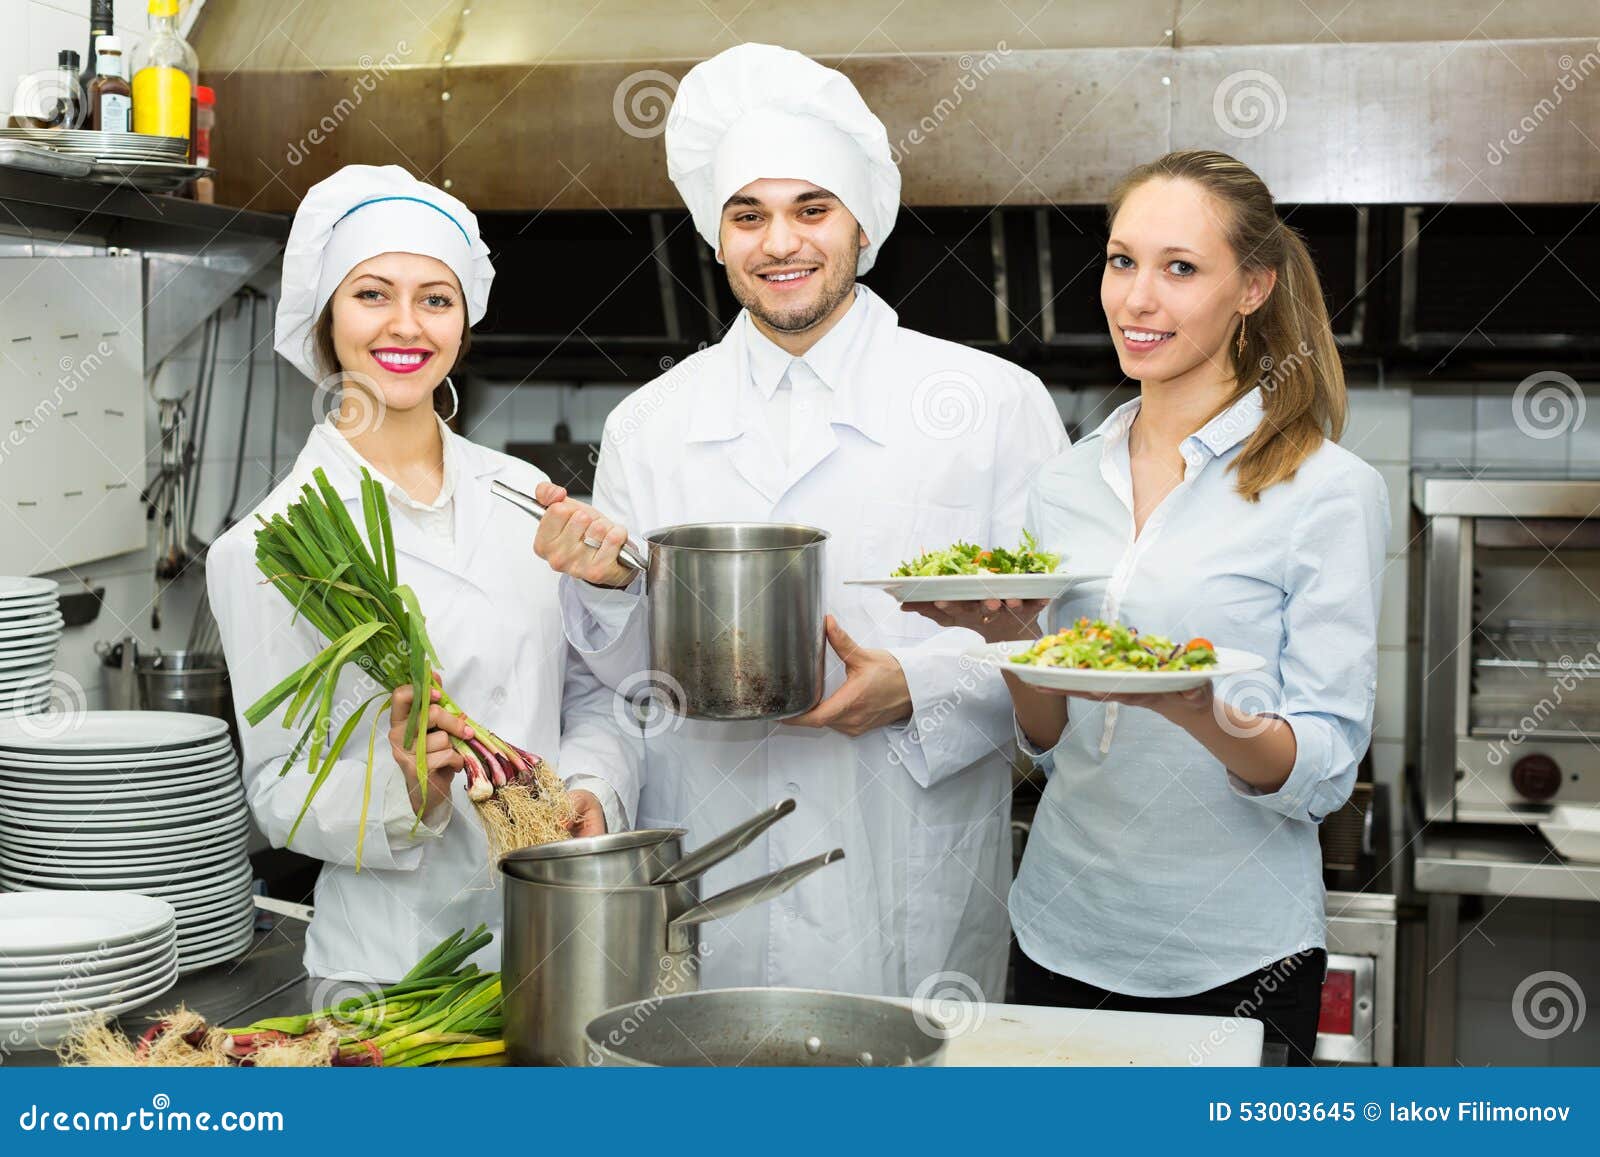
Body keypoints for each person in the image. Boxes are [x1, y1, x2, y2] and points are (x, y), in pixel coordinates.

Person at [532, 44, 1065, 998]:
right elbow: (612, 687)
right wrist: (607, 610)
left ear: (863, 225)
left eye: (811, 209)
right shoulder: (649, 423)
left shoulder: (991, 403)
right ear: (717, 233)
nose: (781, 242)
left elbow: (1064, 654)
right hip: (712, 879)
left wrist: (914, 685)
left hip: (907, 885)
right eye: (749, 215)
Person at [917, 150, 1387, 1062]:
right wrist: (1012, 635)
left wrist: (1202, 715)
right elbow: (1051, 741)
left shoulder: (1328, 490)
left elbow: (1326, 769)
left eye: (1180, 268)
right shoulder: (1062, 483)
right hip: (1059, 932)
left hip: (1235, 960)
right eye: (1123, 261)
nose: (1137, 299)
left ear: (1253, 287)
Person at [208, 165, 637, 982]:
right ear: (327, 316)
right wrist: (409, 790)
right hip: (392, 971)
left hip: (558, 940)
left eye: (435, 299)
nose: (406, 324)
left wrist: (591, 786)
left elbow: (592, 692)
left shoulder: (525, 495)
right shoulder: (264, 545)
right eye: (372, 293)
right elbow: (276, 792)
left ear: (464, 322)